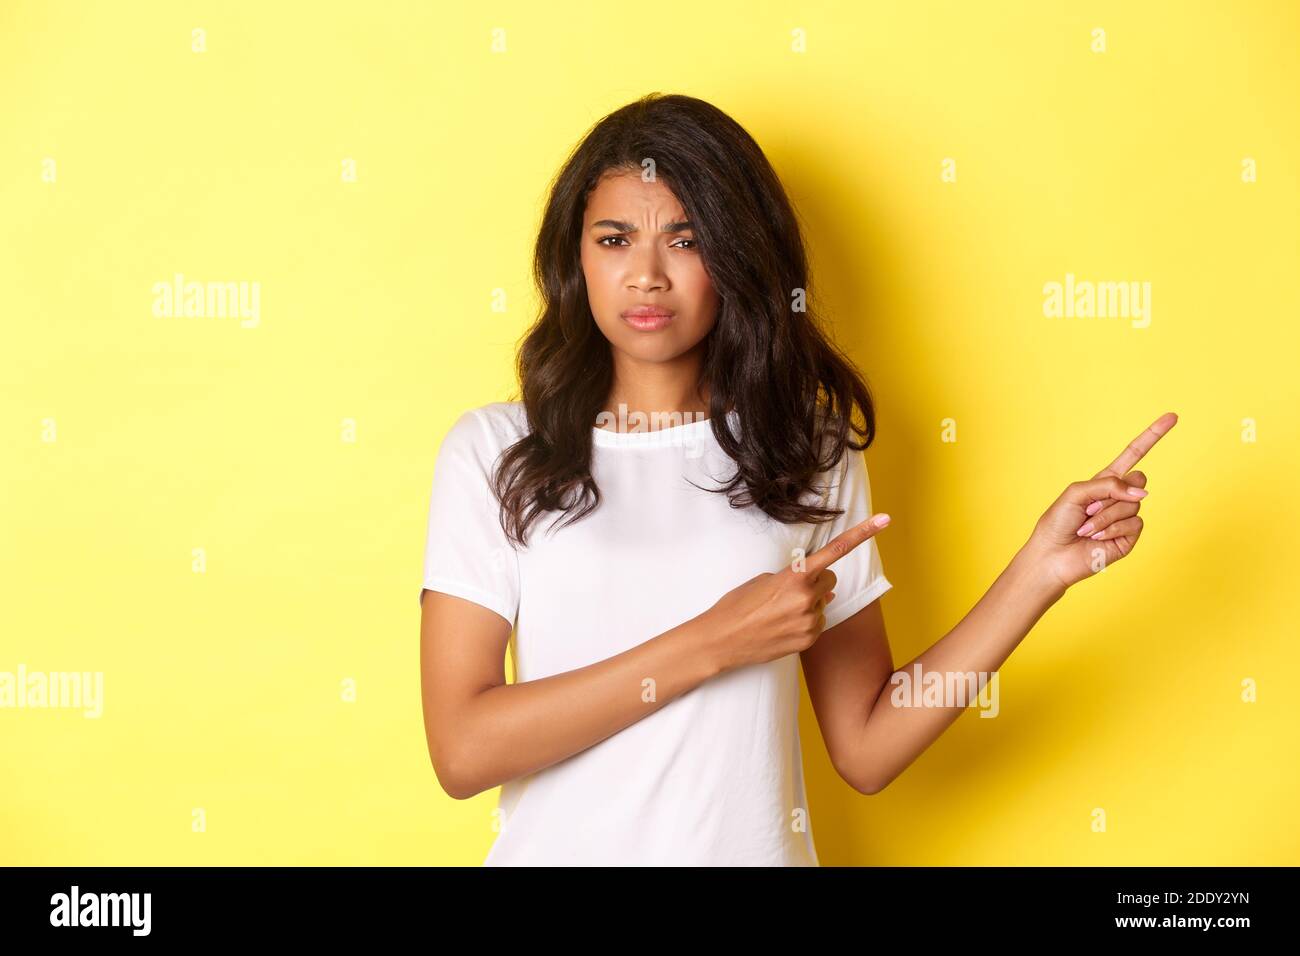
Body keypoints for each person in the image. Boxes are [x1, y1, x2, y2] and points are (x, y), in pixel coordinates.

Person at [417, 92, 1177, 866]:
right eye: (614, 239)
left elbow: (868, 746)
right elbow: (463, 750)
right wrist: (714, 641)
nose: (645, 276)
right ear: (575, 258)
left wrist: (1038, 573)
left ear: (737, 256)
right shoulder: (495, 451)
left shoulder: (801, 447)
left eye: (685, 242)